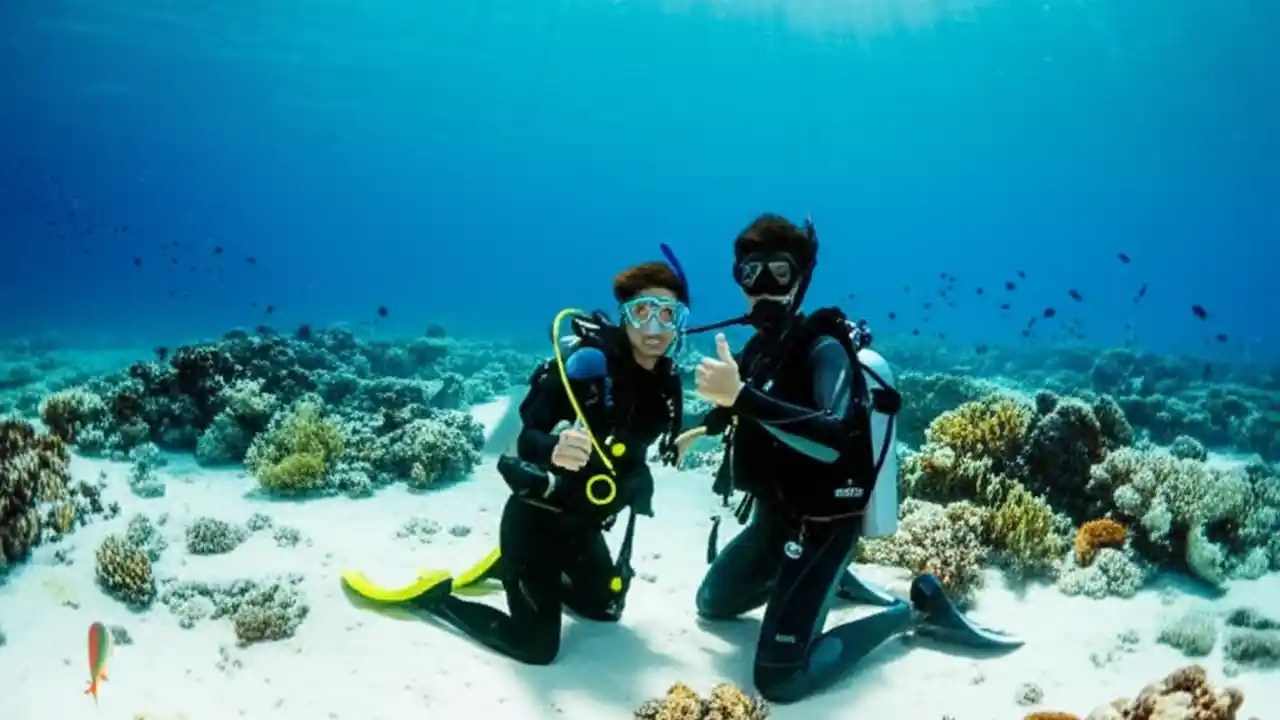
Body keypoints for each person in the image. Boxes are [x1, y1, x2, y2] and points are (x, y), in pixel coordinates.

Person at [676, 213, 1022, 704]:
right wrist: (710, 424)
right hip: (773, 522)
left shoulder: (824, 349)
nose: (765, 287)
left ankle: (917, 612)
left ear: (801, 280)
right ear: (739, 282)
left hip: (822, 526)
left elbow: (833, 438)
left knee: (780, 680)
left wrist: (741, 399)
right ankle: (832, 585)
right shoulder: (757, 351)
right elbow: (747, 409)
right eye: (751, 273)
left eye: (780, 272)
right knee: (711, 605)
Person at [409, 257, 690, 665]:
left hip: (583, 525)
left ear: (681, 321)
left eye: (668, 314)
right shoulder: (586, 367)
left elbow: (638, 445)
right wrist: (552, 447)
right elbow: (526, 438)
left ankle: (521, 577)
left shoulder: (666, 383)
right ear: (624, 316)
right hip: (537, 520)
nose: (654, 327)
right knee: (536, 646)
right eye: (642, 312)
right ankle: (438, 599)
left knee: (606, 610)